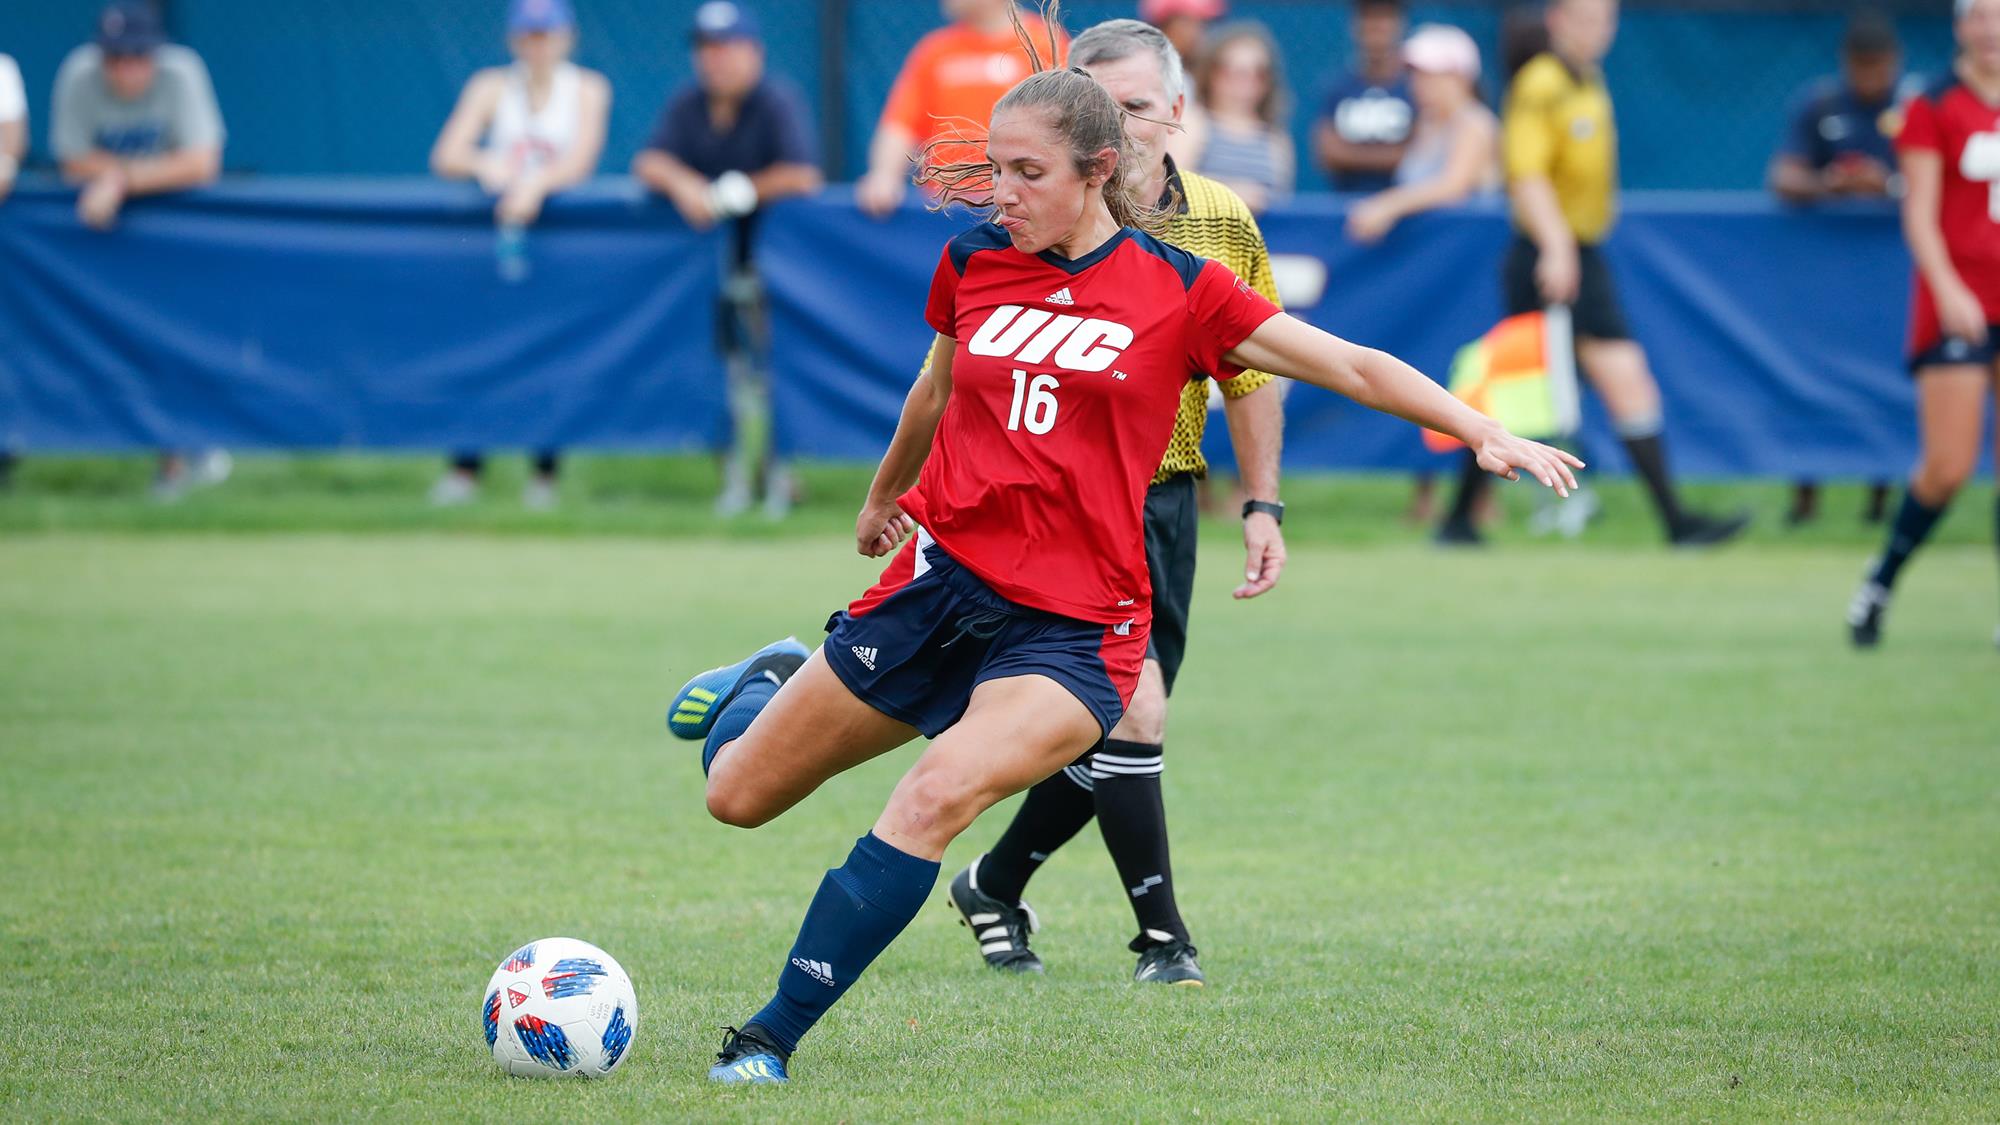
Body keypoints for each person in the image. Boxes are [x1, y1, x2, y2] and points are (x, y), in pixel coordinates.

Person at [664, 10, 1582, 1085]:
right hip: (939, 585)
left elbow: (1349, 363)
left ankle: (765, 1040)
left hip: (1073, 629)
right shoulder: (974, 260)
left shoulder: (1178, 288)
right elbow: (934, 389)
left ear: (1096, 172)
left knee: (932, 796)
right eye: (994, 168)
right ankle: (775, 675)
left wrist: (1479, 427)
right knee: (735, 794)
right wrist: (882, 499)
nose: (1000, 193)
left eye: (1026, 173)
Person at [937, 17, 1285, 987]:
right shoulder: (1033, 221)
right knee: (1132, 713)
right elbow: (953, 371)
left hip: (1164, 503)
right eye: (1096, 103)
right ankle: (1163, 941)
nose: (1116, 124)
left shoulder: (1218, 220)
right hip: (1055, 510)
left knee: (1109, 723)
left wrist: (1263, 503)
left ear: (1175, 110)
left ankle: (994, 883)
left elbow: (1254, 372)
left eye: (1133, 105)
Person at [1434, 0, 1748, 548]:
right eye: (1584, 19)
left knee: (1616, 382)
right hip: (1548, 253)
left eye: (1605, 19)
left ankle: (1676, 522)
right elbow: (1527, 175)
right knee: (1520, 387)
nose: (1597, 31)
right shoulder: (1541, 83)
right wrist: (1557, 247)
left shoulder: (1588, 80)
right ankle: (1460, 520)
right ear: (1557, 20)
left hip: (1582, 253)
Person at [1848, 0, 2000, 650]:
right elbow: (1921, 215)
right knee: (1948, 466)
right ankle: (1880, 582)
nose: (1990, 31)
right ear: (1960, 27)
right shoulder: (1933, 105)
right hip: (1959, 304)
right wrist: (1949, 288)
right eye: (1978, 18)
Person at [633, 1, 821, 519]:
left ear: (753, 51)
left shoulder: (776, 100)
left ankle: (779, 475)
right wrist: (685, 184)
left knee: (774, 372)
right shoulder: (687, 103)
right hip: (703, 273)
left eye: (726, 47)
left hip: (776, 269)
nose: (715, 59)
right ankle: (735, 478)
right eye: (706, 49)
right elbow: (649, 160)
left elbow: (803, 175)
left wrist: (744, 190)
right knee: (724, 377)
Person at [428, 0, 611, 509]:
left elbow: (580, 160)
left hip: (558, 248)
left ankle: (544, 473)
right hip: (495, 247)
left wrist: (536, 184)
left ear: (567, 38)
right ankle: (465, 467)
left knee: (552, 353)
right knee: (480, 349)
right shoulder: (491, 87)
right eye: (529, 34)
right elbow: (448, 154)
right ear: (513, 40)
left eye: (547, 33)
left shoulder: (587, 88)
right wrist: (485, 163)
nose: (538, 45)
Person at [52, 1, 229, 501]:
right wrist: (128, 178)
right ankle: (168, 457)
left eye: (137, 56)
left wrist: (120, 180)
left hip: (179, 240)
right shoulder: (78, 75)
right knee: (115, 346)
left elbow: (202, 163)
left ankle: (192, 450)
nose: (126, 69)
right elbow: (72, 161)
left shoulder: (182, 72)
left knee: (185, 341)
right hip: (104, 244)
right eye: (115, 57)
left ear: (155, 53)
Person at [1770, 9, 1912, 527]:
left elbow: (1938, 182)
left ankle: (1881, 499)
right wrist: (1831, 184)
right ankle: (1804, 500)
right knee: (1810, 376)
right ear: (1845, 62)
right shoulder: (1822, 104)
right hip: (1824, 276)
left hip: (1893, 274)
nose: (1870, 77)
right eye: (1860, 66)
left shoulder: (1916, 107)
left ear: (1895, 62)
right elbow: (1783, 177)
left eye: (1878, 66)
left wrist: (1888, 186)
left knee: (1887, 376)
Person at [855, 0, 1066, 218]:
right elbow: (901, 125)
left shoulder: (1042, 42)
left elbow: (1066, 126)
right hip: (945, 207)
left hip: (1017, 206)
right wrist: (884, 175)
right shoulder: (935, 50)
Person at [1344, 24, 1498, 245]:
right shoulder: (1426, 125)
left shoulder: (1475, 123)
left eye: (1429, 75)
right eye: (1415, 75)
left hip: (1467, 253)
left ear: (1459, 77)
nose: (1418, 84)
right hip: (1429, 252)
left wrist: (1386, 206)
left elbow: (1453, 187)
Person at [1188, 22, 1293, 212]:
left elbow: (1281, 202)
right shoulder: (1194, 122)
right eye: (1233, 71)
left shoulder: (1276, 140)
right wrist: (1227, 195)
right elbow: (1168, 188)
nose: (1245, 82)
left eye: (1258, 73)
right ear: (1211, 74)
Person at [1314, 0, 1414, 194]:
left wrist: (1351, 154)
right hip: (1346, 203)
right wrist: (1397, 154)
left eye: (1385, 17)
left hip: (1406, 204)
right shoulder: (1337, 87)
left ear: (1400, 23)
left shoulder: (1414, 86)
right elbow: (1327, 153)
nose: (1377, 26)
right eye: (1369, 17)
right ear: (1355, 25)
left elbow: (1421, 152)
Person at [1138, 0, 1224, 168]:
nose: (1198, 31)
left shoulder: (1194, 77)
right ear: (1164, 24)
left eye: (1202, 23)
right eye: (1188, 22)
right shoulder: (1144, 74)